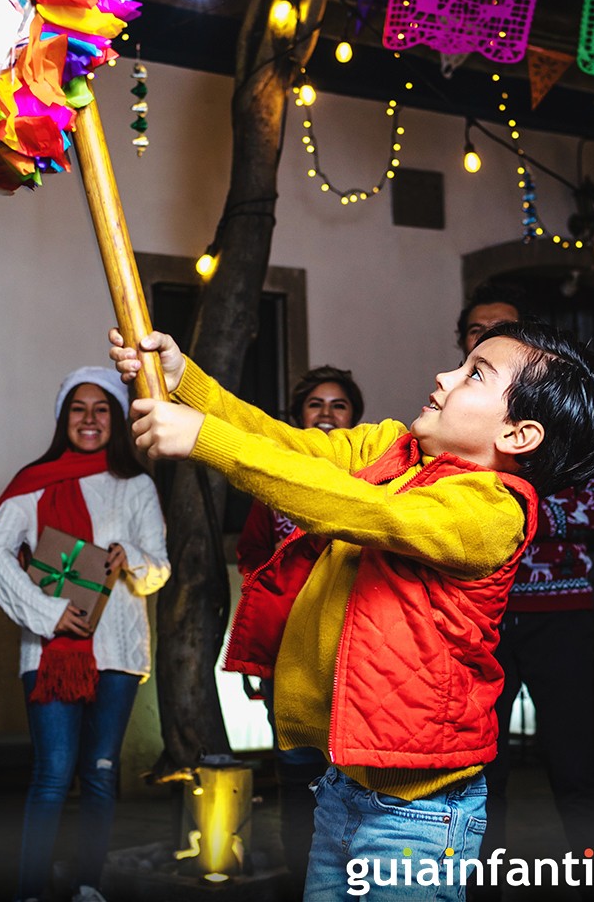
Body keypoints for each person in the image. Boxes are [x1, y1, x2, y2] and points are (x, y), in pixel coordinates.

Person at [110, 322, 594, 901]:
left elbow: (364, 510)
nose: (444, 377)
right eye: (460, 363)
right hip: (343, 783)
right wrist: (188, 385)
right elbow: (287, 444)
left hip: (420, 809)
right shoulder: (389, 448)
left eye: (474, 373)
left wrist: (205, 440)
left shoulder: (492, 511)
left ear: (519, 433)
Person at [0, 366, 170, 902]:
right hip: (50, 650)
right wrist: (47, 613)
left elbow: (160, 570)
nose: (90, 419)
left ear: (116, 416)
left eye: (102, 408)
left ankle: (89, 886)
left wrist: (128, 556)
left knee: (102, 772)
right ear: (64, 418)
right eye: (79, 409)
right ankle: (31, 891)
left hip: (119, 652)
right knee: (53, 774)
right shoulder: (34, 484)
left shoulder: (136, 486)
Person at [458, 283, 594, 900]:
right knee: (480, 773)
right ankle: (480, 892)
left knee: (574, 768)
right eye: (476, 331)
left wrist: (512, 511)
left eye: (501, 328)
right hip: (484, 620)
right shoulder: (459, 423)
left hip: (563, 616)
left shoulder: (566, 420)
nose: (484, 337)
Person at [236, 365, 364, 889]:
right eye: (316, 405)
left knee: (353, 776)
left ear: (356, 416)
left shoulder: (372, 481)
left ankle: (353, 881)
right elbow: (253, 563)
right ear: (297, 416)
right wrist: (257, 651)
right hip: (290, 655)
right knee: (297, 775)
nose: (328, 415)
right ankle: (300, 883)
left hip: (353, 653)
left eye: (339, 405)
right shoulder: (275, 485)